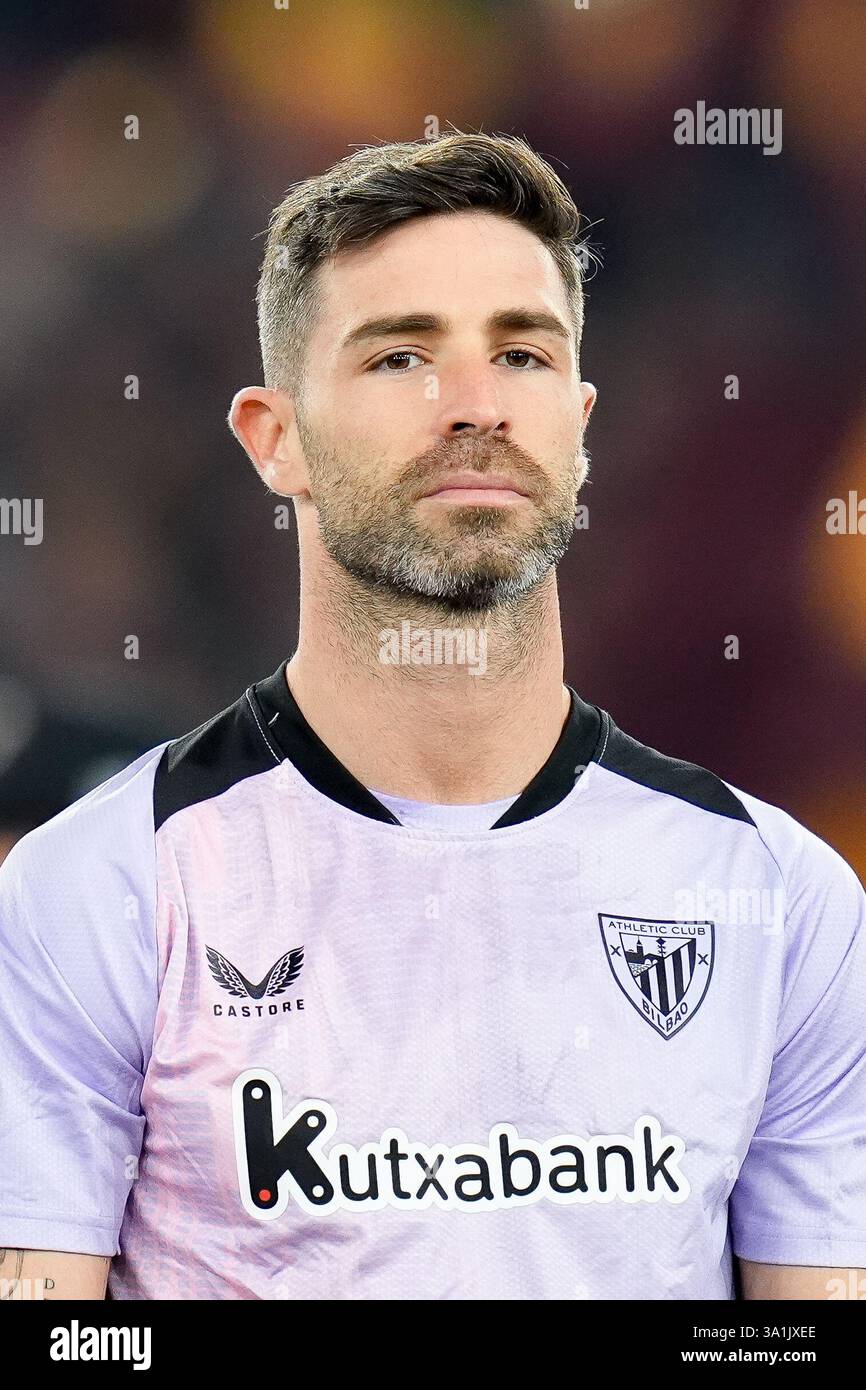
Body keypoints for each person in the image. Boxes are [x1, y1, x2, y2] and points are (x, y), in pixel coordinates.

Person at [1, 131, 864, 1302]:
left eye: (521, 353)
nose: (475, 407)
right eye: (400, 356)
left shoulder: (777, 898)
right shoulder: (97, 888)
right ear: (275, 439)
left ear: (580, 419)